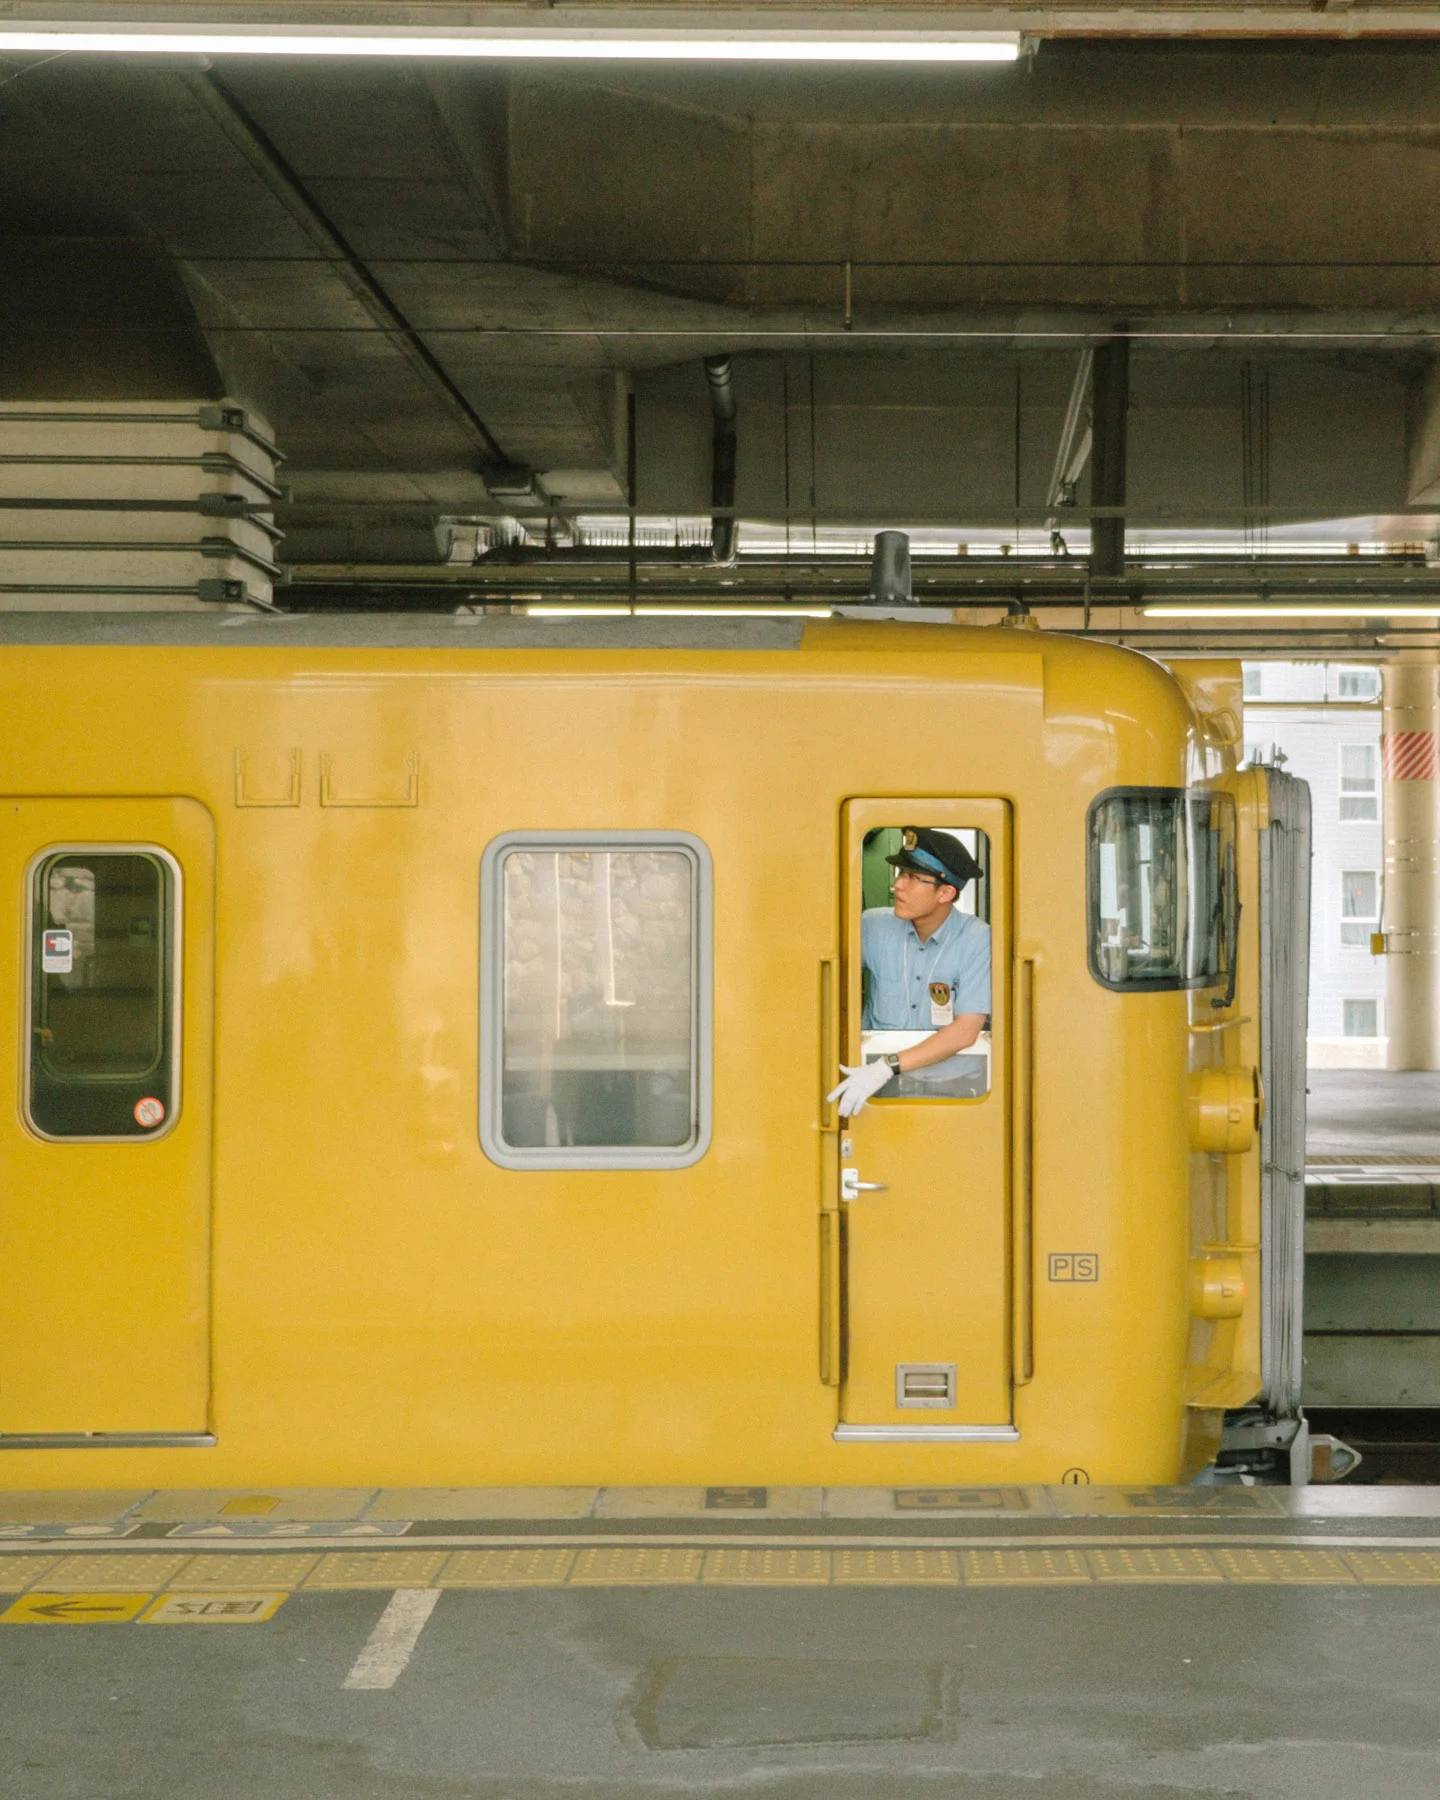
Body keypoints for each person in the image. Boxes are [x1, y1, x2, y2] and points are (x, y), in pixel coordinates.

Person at [828, 827, 991, 1116]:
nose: (898, 886)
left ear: (946, 892)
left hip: (953, 1090)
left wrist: (886, 1066)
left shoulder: (977, 939)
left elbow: (966, 1031)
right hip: (880, 1090)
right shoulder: (872, 927)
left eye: (913, 878)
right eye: (901, 874)